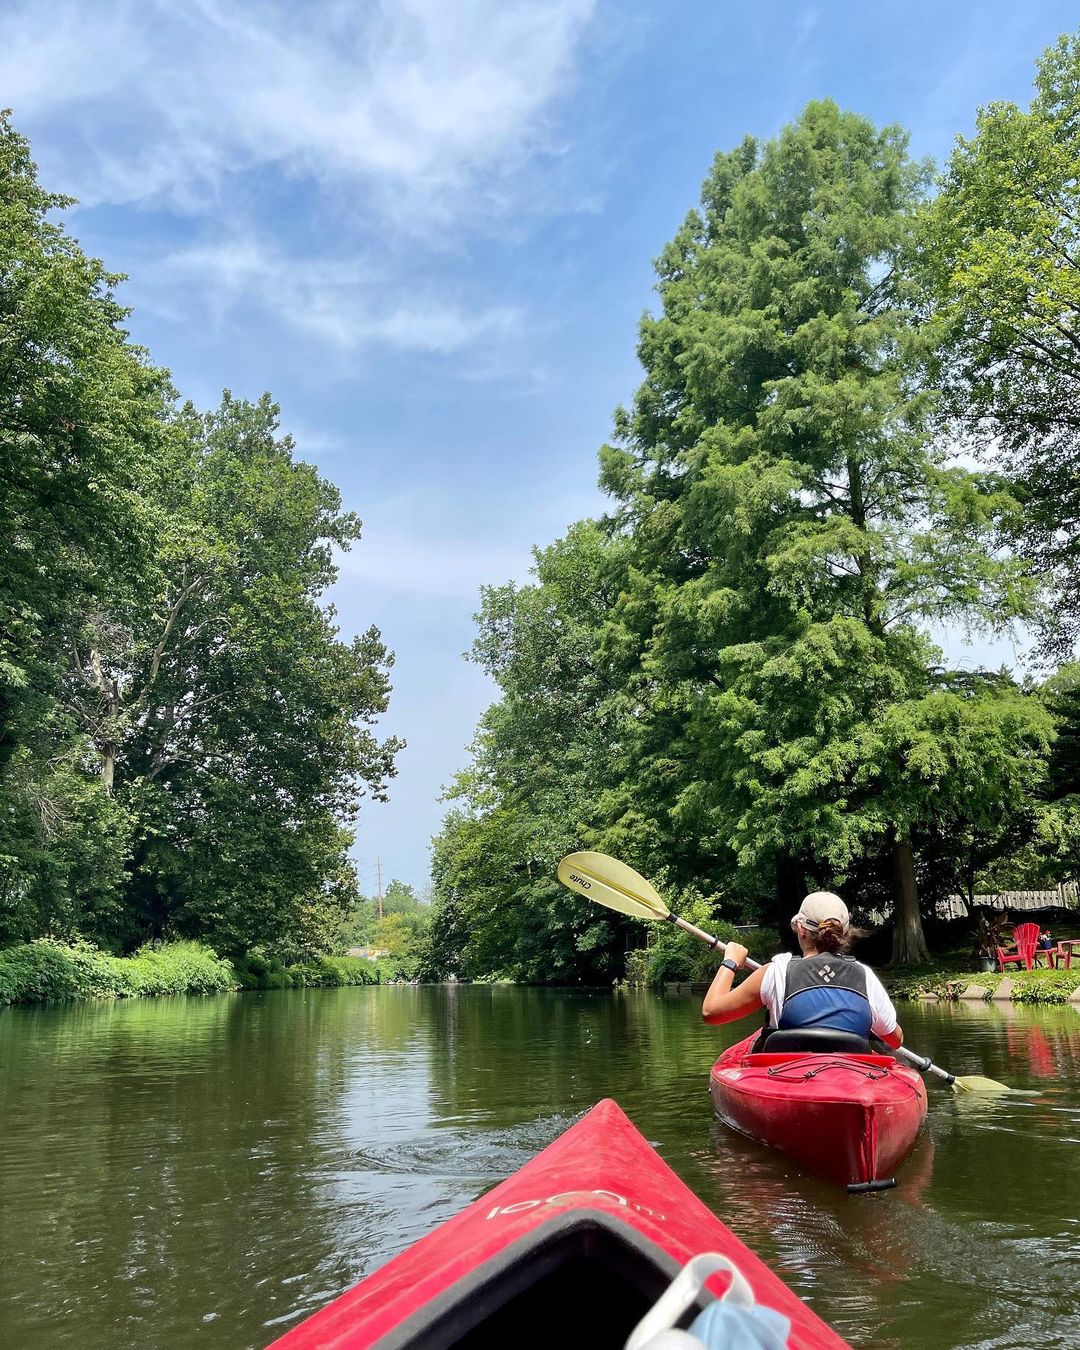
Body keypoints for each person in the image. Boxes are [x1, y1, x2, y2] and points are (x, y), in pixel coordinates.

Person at [701, 891, 904, 1050]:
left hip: (789, 1078)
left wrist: (730, 962)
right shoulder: (865, 976)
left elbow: (711, 1012)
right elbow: (895, 1040)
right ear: (844, 933)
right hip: (851, 1077)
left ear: (800, 929)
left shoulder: (776, 972)